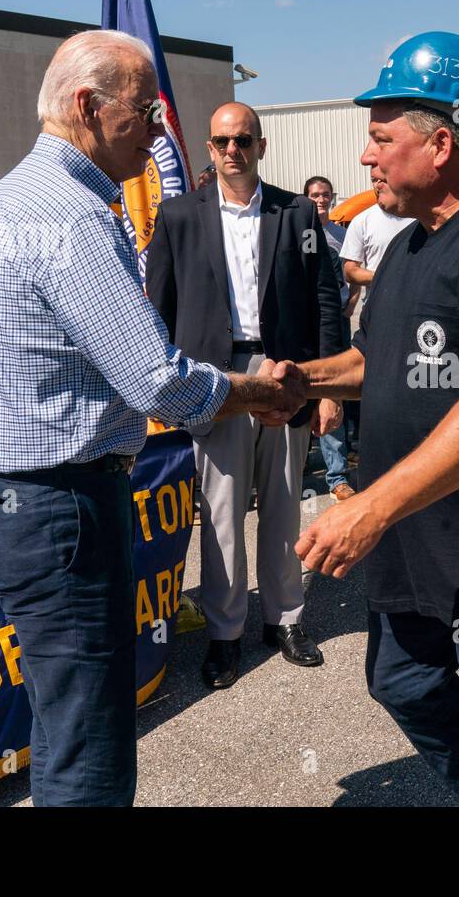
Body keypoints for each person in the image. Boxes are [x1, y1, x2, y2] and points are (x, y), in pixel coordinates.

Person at [0, 29, 305, 806]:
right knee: (91, 738)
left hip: (17, 496)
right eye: (147, 110)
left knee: (65, 719)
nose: (158, 130)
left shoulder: (5, 199)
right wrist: (256, 392)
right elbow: (157, 380)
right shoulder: (74, 215)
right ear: (89, 106)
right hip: (63, 503)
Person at [268, 31, 459, 806]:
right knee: (402, 682)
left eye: (380, 138)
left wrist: (368, 507)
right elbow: (378, 366)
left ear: (441, 142)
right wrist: (289, 382)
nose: (367, 158)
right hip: (418, 535)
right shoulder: (410, 247)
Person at [146, 103, 343, 680]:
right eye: (222, 141)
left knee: (284, 501)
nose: (233, 150)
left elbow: (324, 300)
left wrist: (328, 388)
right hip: (215, 377)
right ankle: (224, 630)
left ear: (262, 144)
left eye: (244, 140)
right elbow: (158, 306)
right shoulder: (179, 216)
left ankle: (284, 617)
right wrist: (161, 389)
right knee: (223, 507)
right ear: (209, 148)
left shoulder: (299, 213)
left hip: (286, 371)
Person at [305, 174, 358, 501]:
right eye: (314, 195)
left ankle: (336, 475)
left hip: (334, 322)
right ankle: (297, 469)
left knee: (332, 390)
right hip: (305, 323)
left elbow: (354, 272)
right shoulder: (298, 232)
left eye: (325, 194)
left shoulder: (341, 234)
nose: (321, 200)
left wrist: (350, 301)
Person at [340, 201, 413, 306]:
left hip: (418, 305)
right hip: (378, 306)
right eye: (374, 182)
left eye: (384, 182)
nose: (379, 185)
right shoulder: (362, 220)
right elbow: (350, 271)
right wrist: (389, 277)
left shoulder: (419, 216)